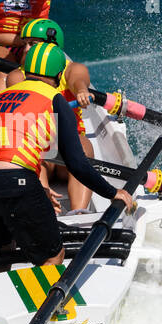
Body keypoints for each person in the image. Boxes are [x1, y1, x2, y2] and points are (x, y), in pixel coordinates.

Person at [0, 42, 136, 268]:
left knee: (2, 254)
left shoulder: (1, 96)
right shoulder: (55, 98)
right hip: (13, 181)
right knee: (53, 256)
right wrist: (113, 193)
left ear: (26, 72)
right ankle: (51, 303)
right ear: (58, 75)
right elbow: (77, 163)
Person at [10, 19, 97, 213]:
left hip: (70, 152)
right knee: (32, 146)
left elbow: (78, 80)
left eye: (32, 44)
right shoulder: (17, 76)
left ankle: (79, 213)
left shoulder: (71, 69)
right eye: (24, 43)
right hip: (41, 154)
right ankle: (44, 206)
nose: (25, 49)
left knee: (84, 145)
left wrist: (82, 91)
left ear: (51, 45)